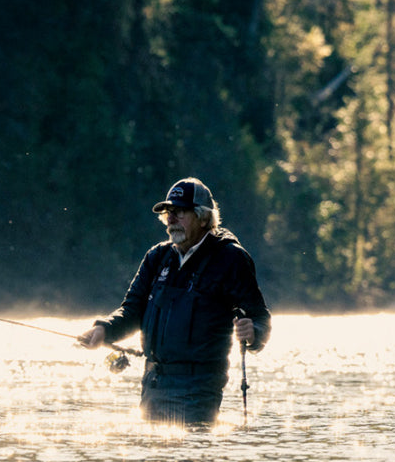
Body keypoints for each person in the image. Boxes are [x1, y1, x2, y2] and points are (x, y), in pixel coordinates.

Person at [78, 177, 271, 425]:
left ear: (203, 218)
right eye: (168, 213)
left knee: (189, 459)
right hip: (153, 384)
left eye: (179, 212)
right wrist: (104, 329)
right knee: (154, 461)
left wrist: (253, 333)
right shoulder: (156, 257)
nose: (170, 219)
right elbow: (132, 310)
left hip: (198, 390)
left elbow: (260, 318)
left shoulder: (231, 259)